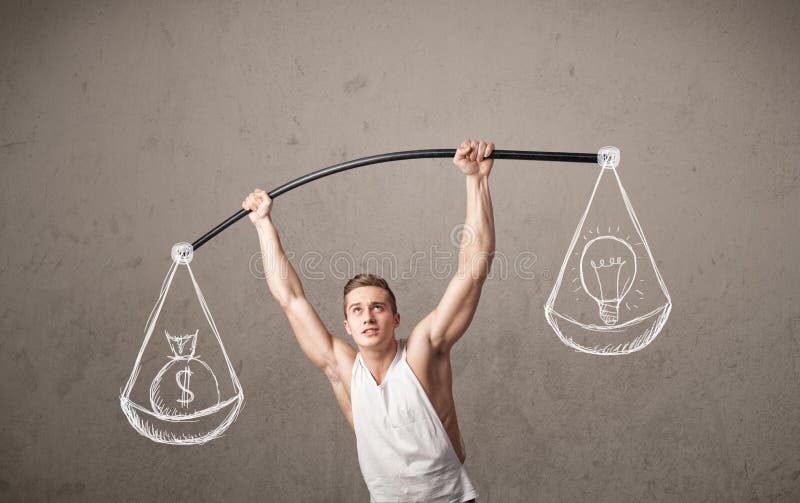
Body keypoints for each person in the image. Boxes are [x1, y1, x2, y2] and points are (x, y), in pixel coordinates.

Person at [242, 139, 495, 503]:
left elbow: (474, 268)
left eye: (378, 307)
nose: (368, 316)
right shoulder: (343, 369)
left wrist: (476, 181)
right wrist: (263, 224)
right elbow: (290, 299)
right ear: (346, 325)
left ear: (395, 319)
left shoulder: (424, 351)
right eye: (357, 310)